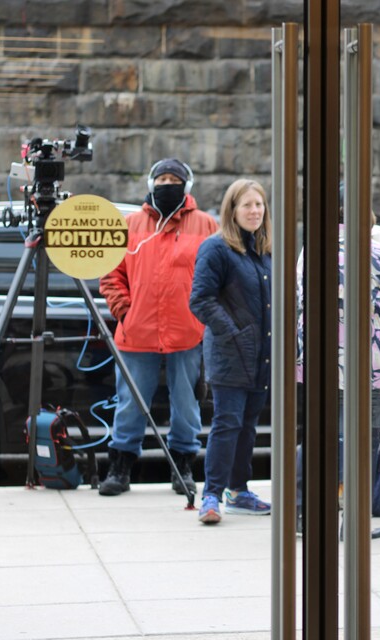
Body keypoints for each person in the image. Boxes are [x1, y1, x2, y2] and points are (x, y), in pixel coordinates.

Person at [98, 158, 218, 497]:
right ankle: (120, 468)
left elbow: (216, 275)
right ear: (152, 184)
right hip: (137, 333)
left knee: (186, 404)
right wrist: (125, 311)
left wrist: (202, 317)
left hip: (186, 334)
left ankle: (182, 467)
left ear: (187, 185)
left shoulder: (206, 225)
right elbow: (110, 274)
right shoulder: (130, 224)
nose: (168, 184)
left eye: (174, 179)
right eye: (162, 178)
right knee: (129, 403)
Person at [294, 197, 380, 538]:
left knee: (320, 434)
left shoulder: (313, 248)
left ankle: (307, 513)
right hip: (369, 358)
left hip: (321, 354)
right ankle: (354, 519)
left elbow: (300, 293)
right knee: (365, 436)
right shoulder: (377, 251)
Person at [190, 179, 273, 524]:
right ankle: (211, 495)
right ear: (232, 210)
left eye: (259, 205)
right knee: (227, 423)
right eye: (247, 205)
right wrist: (234, 334)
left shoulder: (266, 251)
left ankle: (238, 491)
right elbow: (201, 300)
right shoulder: (217, 249)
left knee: (249, 426)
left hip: (261, 356)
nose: (254, 211)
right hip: (230, 354)